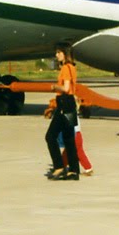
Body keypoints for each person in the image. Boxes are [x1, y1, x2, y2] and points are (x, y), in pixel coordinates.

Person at [45, 44, 81, 180]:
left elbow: (65, 88)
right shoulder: (72, 67)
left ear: (65, 54)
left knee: (50, 136)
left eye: (59, 52)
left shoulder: (66, 68)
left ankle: (59, 166)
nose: (56, 55)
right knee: (68, 138)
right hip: (70, 104)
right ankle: (74, 170)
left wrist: (55, 87)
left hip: (64, 103)